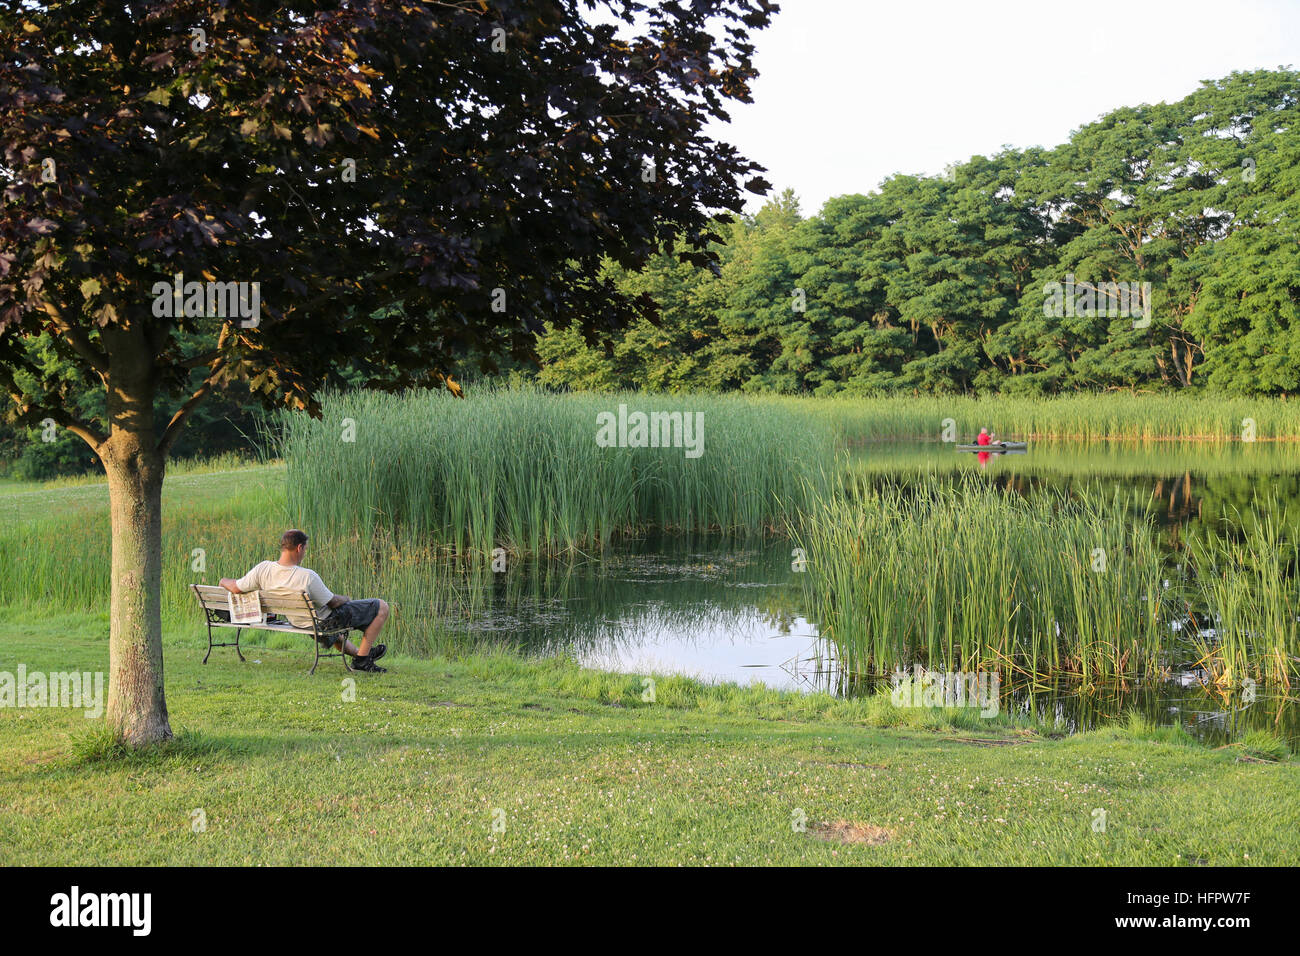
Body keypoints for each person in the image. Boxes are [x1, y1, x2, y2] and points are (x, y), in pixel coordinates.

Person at [220, 529, 391, 673]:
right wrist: (346, 598)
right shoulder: (307, 576)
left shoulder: (262, 569)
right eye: (305, 549)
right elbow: (332, 602)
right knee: (381, 606)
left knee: (328, 623)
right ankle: (362, 660)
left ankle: (362, 656)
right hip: (322, 623)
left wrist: (223, 581)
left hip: (302, 622)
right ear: (299, 548)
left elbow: (235, 587)